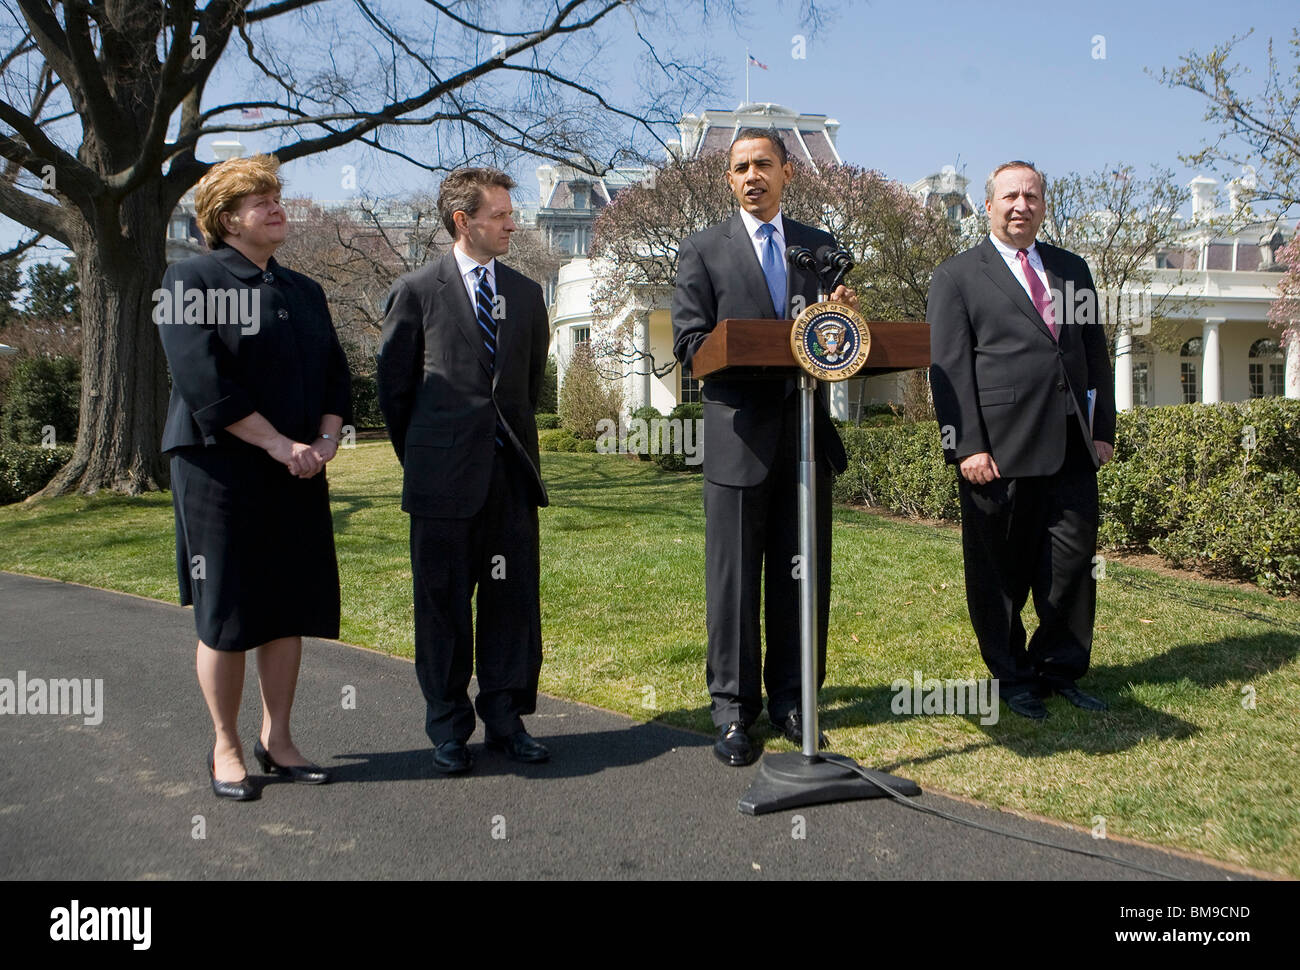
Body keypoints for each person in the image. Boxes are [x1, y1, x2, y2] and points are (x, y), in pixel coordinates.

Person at [157, 154, 351, 800]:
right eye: (258, 199)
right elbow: (203, 383)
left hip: (295, 466)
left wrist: (321, 443)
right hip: (218, 469)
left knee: (286, 605)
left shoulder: (304, 292)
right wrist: (277, 444)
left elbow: (334, 378)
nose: (275, 206)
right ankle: (226, 747)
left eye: (276, 194)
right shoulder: (189, 279)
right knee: (228, 611)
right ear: (224, 218)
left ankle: (280, 739)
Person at [672, 128, 858, 767]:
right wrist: (752, 342)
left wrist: (843, 317)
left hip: (806, 443)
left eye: (764, 165)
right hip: (737, 443)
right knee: (733, 584)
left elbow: (840, 343)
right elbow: (690, 346)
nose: (752, 176)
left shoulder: (820, 250)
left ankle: (795, 699)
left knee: (802, 579)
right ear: (729, 179)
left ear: (787, 173)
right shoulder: (701, 252)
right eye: (740, 167)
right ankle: (732, 712)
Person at [376, 168, 551, 775]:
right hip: (441, 485)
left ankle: (506, 720)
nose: (511, 224)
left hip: (510, 483)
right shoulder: (416, 291)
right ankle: (448, 728)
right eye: (500, 215)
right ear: (463, 221)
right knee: (443, 608)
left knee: (511, 606)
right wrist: (430, 457)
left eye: (511, 212)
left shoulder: (528, 295)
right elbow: (395, 394)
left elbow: (526, 387)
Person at [928, 160, 1116, 721]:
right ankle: (1012, 676)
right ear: (988, 205)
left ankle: (1059, 668)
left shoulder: (1071, 269)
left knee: (1072, 564)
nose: (1021, 206)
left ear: (1042, 204)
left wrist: (1102, 428)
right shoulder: (958, 276)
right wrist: (967, 446)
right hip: (997, 452)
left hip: (1069, 445)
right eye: (1010, 196)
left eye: (1032, 196)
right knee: (999, 573)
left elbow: (1093, 352)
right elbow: (950, 367)